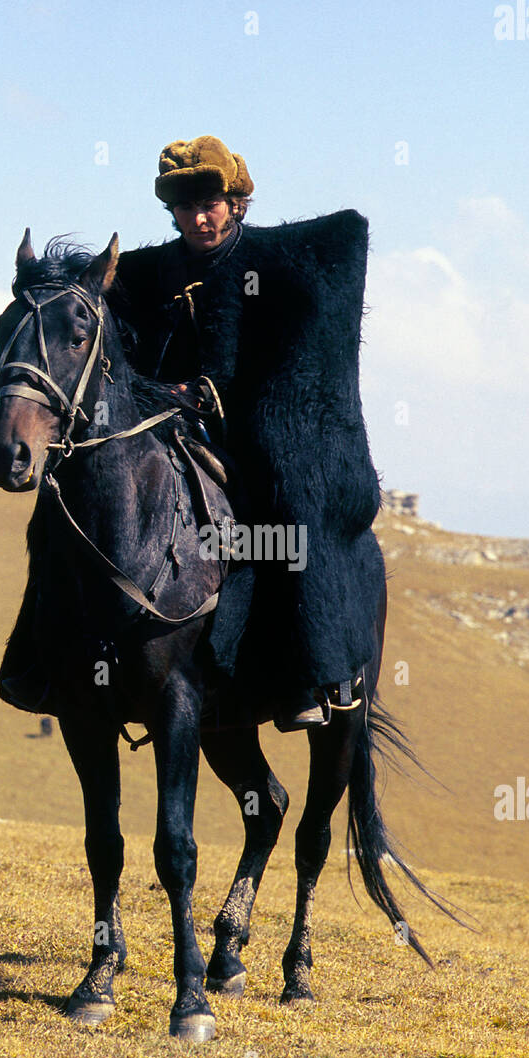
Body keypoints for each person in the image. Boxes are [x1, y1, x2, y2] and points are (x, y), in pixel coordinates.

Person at [111, 136, 382, 730]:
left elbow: (291, 351)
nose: (198, 218)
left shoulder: (272, 262)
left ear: (235, 202)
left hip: (257, 434)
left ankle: (306, 674)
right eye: (185, 208)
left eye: (209, 203)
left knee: (287, 527)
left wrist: (214, 393)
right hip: (166, 428)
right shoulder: (150, 271)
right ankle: (55, 663)